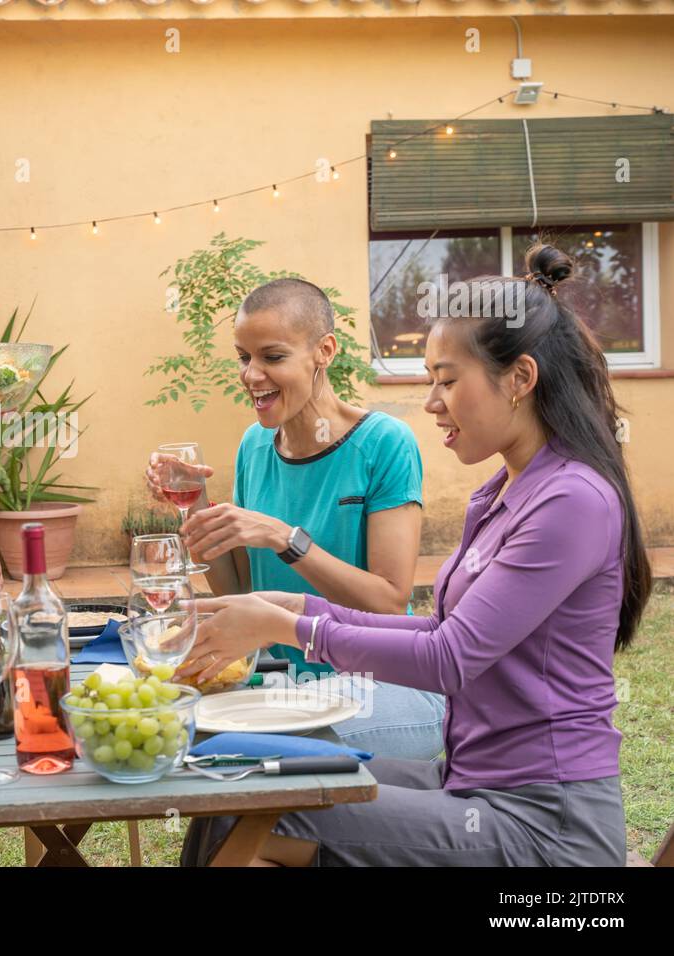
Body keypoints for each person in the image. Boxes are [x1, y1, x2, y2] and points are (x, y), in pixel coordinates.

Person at [178, 245, 649, 866]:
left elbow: (449, 659)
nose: (431, 402)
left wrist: (291, 627)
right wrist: (290, 601)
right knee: (240, 789)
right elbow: (439, 629)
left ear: (520, 378)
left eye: (447, 381)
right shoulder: (503, 491)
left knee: (253, 809)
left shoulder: (573, 501)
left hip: (546, 827)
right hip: (473, 785)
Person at [147, 277, 444, 760]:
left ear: (323, 351)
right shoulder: (255, 446)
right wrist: (198, 506)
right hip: (286, 684)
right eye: (244, 357)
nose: (251, 375)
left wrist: (286, 538)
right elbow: (241, 595)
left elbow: (388, 604)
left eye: (273, 357)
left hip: (384, 681)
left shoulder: (384, 443)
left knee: (247, 752)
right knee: (186, 736)